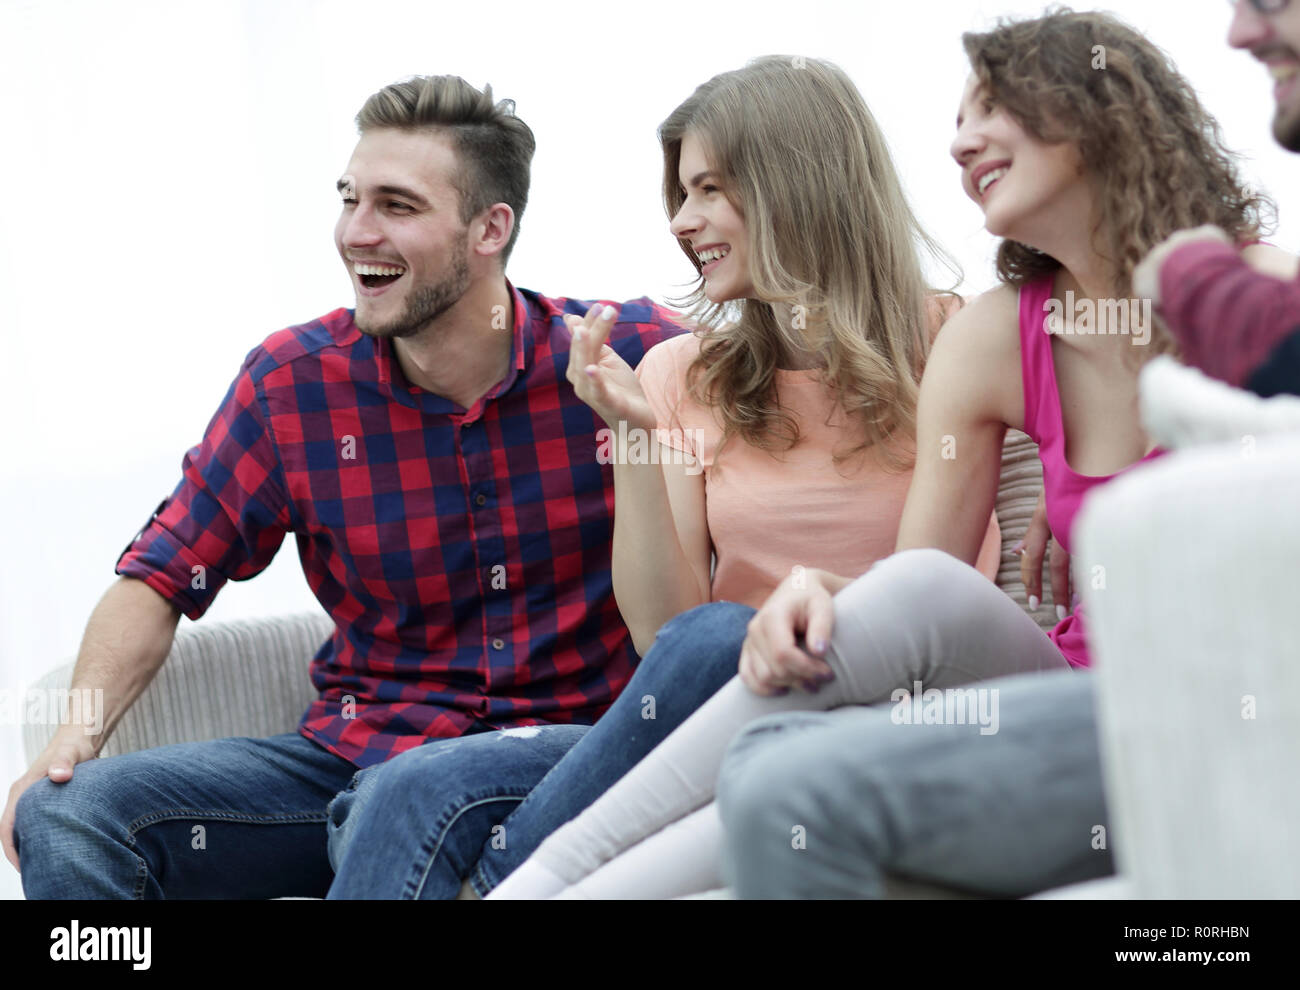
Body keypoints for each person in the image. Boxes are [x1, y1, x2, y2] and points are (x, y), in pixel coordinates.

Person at [323, 55, 1004, 899]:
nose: (684, 220)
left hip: (903, 703)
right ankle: (512, 877)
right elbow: (665, 637)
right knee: (408, 786)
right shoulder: (683, 372)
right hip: (736, 706)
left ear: (800, 184)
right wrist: (633, 436)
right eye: (680, 194)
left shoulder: (959, 341)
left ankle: (507, 879)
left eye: (710, 189)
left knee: (725, 636)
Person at [4, 73, 684, 899]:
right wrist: (71, 739)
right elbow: (159, 576)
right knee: (67, 813)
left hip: (574, 760)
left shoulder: (632, 357)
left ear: (489, 228)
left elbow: (794, 440)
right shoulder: (292, 387)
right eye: (349, 198)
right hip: (359, 753)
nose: (355, 232)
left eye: (396, 206)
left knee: (398, 800)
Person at [718, 0, 1300, 899]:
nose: (958, 144)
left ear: (1098, 111)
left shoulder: (1258, 301)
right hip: (1062, 683)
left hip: (1200, 698)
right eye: (955, 122)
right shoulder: (997, 336)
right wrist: (828, 595)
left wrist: (1135, 532)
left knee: (789, 787)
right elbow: (924, 585)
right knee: (765, 737)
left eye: (990, 108)